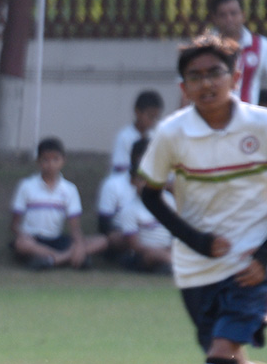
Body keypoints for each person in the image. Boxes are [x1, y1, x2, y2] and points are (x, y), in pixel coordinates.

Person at [136, 31, 267, 364]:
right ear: (183, 86)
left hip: (253, 266)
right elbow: (148, 192)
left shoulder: (262, 125)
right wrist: (195, 240)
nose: (207, 82)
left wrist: (264, 259)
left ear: (235, 77)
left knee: (218, 355)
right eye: (196, 76)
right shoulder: (172, 134)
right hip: (195, 269)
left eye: (216, 73)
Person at [11, 137, 104, 270]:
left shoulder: (69, 189)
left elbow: (75, 227)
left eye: (55, 160)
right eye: (45, 160)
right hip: (34, 239)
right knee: (21, 244)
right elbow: (14, 224)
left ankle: (52, 260)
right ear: (38, 161)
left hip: (57, 239)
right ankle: (66, 257)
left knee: (101, 241)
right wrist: (22, 234)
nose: (50, 165)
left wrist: (78, 244)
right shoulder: (26, 186)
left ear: (63, 161)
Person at [116, 138, 174, 274]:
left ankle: (167, 265)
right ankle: (171, 264)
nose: (144, 184)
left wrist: (169, 249)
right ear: (132, 182)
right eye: (140, 179)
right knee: (151, 256)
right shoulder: (129, 209)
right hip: (144, 254)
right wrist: (158, 252)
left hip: (167, 250)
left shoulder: (170, 202)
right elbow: (134, 245)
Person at [210, 0, 261, 105]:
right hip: (210, 119)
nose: (229, 19)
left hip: (249, 120)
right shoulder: (203, 47)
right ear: (214, 18)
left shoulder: (261, 46)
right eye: (223, 15)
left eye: (233, 13)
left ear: (243, 15)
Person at [112, 89, 165, 173]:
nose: (153, 121)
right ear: (138, 112)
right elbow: (119, 167)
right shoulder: (124, 137)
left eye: (156, 118)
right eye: (150, 116)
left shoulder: (154, 136)